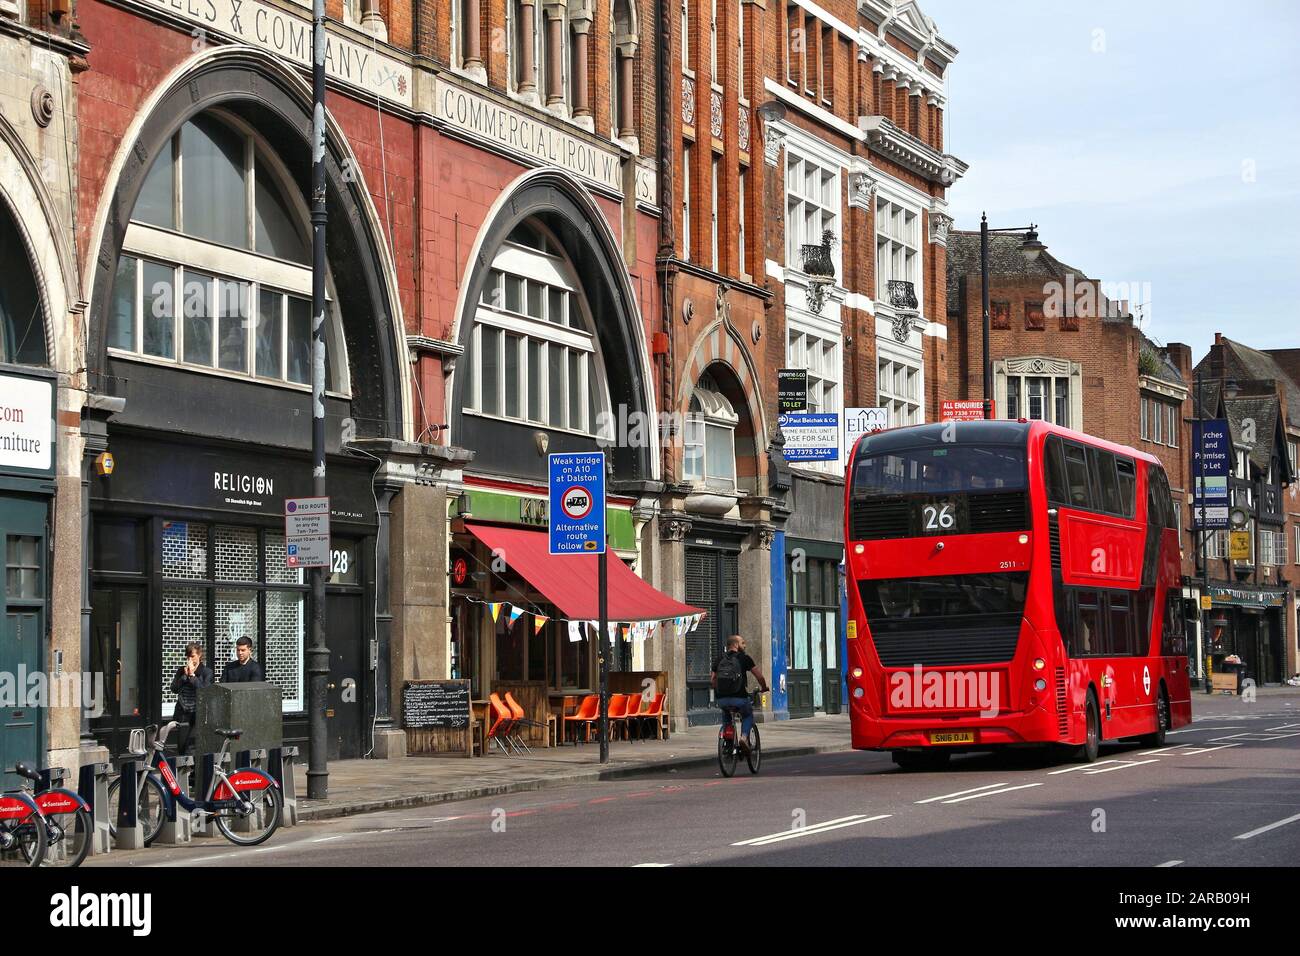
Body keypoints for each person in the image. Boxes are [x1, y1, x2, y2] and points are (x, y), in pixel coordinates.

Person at [711, 634, 769, 752]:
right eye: (743, 643)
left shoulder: (719, 659)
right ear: (736, 645)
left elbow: (713, 680)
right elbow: (759, 676)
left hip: (722, 699)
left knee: (726, 714)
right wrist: (764, 687)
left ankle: (728, 742)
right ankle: (743, 737)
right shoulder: (744, 658)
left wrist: (720, 692)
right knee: (747, 715)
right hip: (739, 698)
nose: (745, 645)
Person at [170, 642, 213, 755]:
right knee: (182, 746)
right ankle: (183, 771)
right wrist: (185, 677)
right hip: (183, 713)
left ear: (199, 655)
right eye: (188, 657)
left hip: (197, 714)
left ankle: (194, 772)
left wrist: (193, 676)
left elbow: (204, 691)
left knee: (192, 747)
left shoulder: (206, 672)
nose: (190, 659)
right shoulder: (181, 671)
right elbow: (174, 688)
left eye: (192, 656)